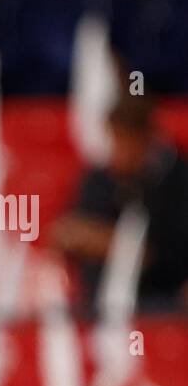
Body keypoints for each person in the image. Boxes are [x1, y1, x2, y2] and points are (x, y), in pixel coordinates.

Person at [52, 94, 188, 311]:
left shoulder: (177, 179)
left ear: (147, 138)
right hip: (97, 306)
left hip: (159, 305)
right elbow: (65, 234)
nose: (118, 150)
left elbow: (161, 254)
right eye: (114, 138)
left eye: (125, 139)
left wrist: (104, 242)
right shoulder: (99, 179)